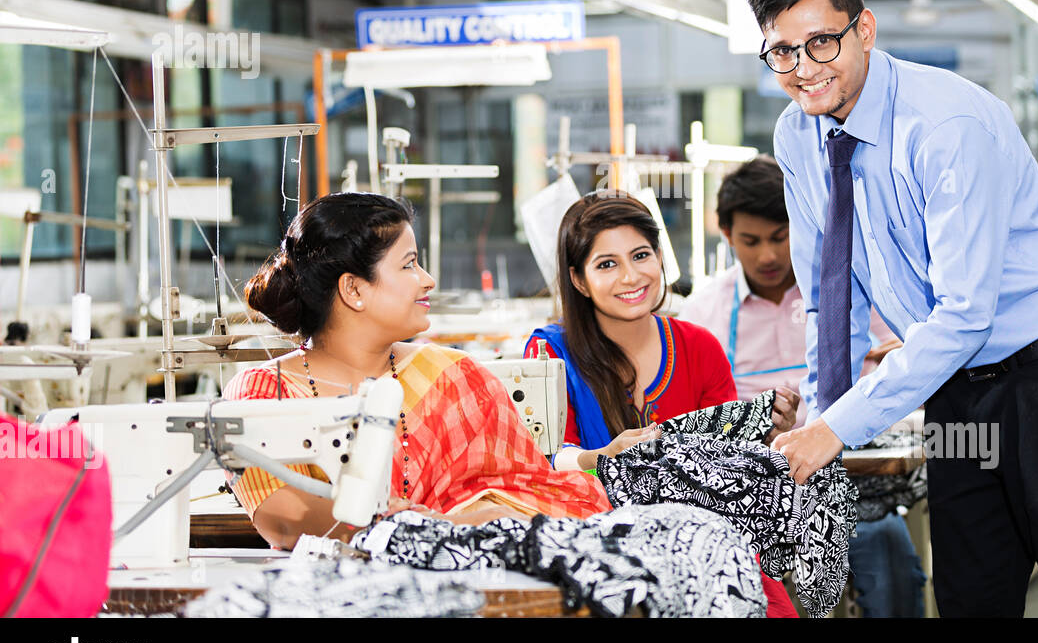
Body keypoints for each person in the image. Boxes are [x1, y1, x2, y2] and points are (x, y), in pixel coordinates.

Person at [753, 0, 1038, 618]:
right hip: (958, 395)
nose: (803, 68)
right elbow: (832, 294)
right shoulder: (797, 135)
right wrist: (825, 418)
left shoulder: (945, 125)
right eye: (782, 52)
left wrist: (840, 428)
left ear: (864, 29)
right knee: (970, 599)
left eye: (820, 42)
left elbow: (965, 314)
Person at [224, 192, 610, 550]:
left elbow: (540, 493)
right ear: (353, 290)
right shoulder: (263, 393)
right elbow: (285, 521)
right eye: (409, 264)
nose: (428, 280)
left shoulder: (456, 376)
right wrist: (439, 526)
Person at [524, 190, 800, 616]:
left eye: (640, 255)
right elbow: (543, 460)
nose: (631, 276)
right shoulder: (550, 354)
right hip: (602, 556)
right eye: (607, 264)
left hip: (708, 550)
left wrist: (769, 438)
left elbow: (727, 475)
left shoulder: (698, 347)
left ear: (659, 257)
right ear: (579, 280)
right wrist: (601, 459)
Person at [679, 156, 925, 617]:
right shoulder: (701, 315)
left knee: (886, 552)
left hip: (849, 477)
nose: (768, 256)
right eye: (750, 241)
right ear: (726, 234)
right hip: (749, 490)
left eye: (780, 237)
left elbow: (902, 367)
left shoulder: (851, 294)